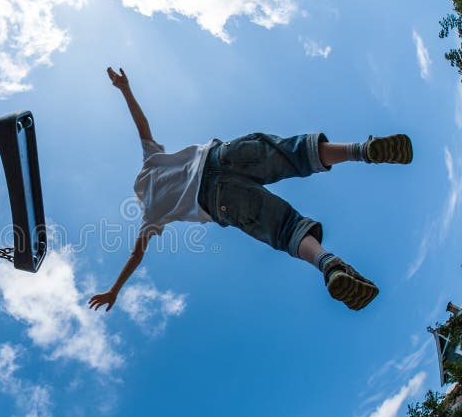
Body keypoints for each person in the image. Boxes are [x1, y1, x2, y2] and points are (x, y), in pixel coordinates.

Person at [88, 67, 412, 312]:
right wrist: (125, 89)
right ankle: (361, 150)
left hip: (219, 201)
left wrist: (115, 290)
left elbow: (136, 254)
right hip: (221, 154)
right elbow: (141, 125)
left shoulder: (150, 213)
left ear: (140, 196)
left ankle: (328, 263)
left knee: (285, 229)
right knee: (294, 153)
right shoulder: (152, 162)